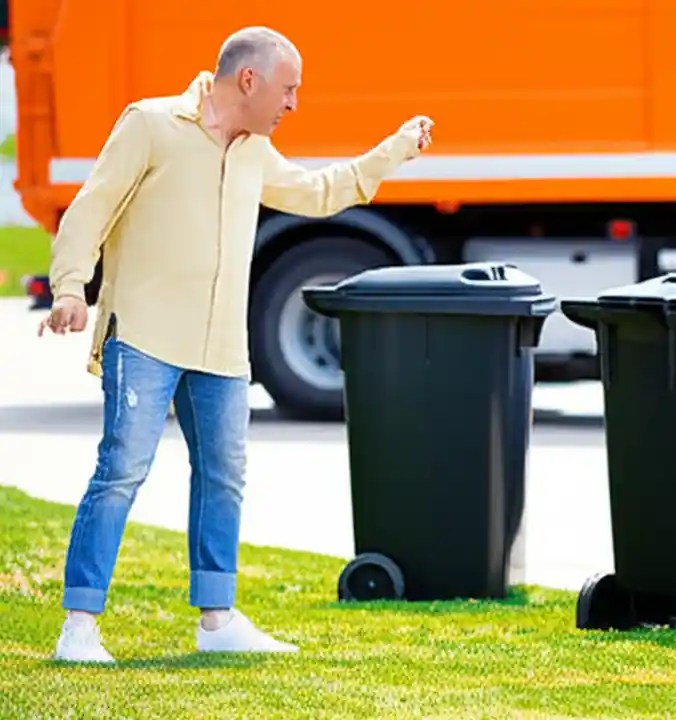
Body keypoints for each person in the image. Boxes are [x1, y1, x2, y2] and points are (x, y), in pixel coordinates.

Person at [38, 26, 433, 663]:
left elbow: (319, 193)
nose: (294, 104)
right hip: (143, 334)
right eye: (289, 89)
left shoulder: (253, 151)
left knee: (224, 478)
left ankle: (216, 620)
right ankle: (78, 628)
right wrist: (69, 288)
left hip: (221, 347)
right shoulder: (151, 124)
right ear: (249, 80)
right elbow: (91, 208)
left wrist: (394, 150)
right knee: (120, 474)